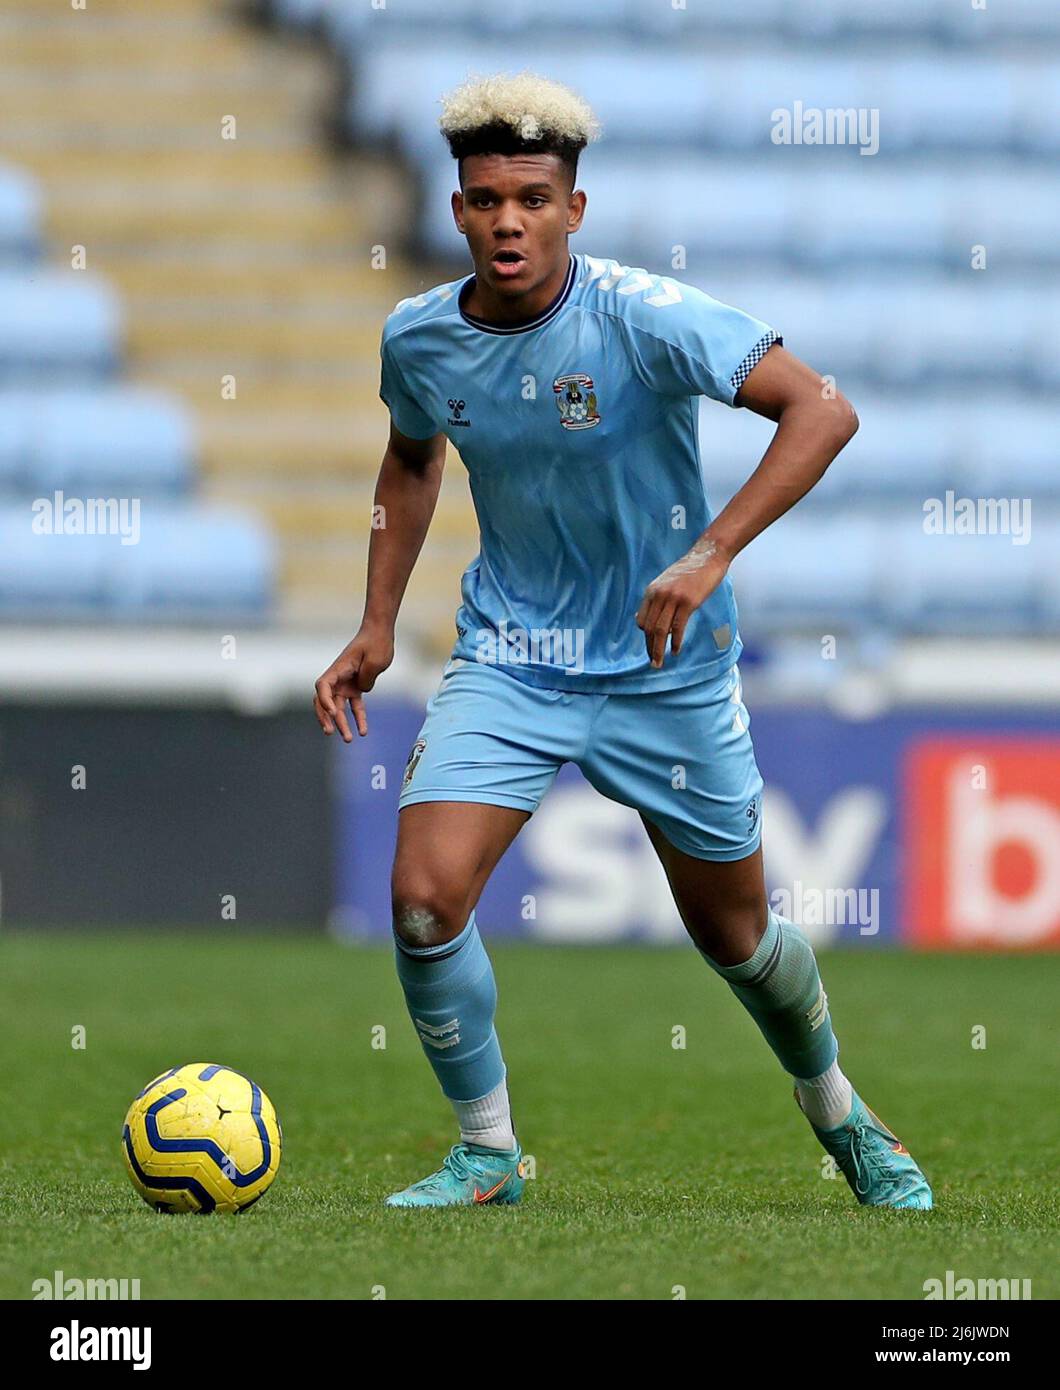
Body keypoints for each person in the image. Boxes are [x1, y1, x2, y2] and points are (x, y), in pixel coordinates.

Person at [314, 71, 932, 1212]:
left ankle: (838, 1109)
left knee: (739, 939)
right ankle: (488, 1151)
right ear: (457, 211)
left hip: (665, 673)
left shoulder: (647, 318)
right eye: (487, 199)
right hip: (510, 654)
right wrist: (374, 624)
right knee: (422, 898)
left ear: (573, 211)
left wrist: (709, 555)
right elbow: (411, 459)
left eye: (534, 198)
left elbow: (823, 410)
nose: (509, 220)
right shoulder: (419, 339)